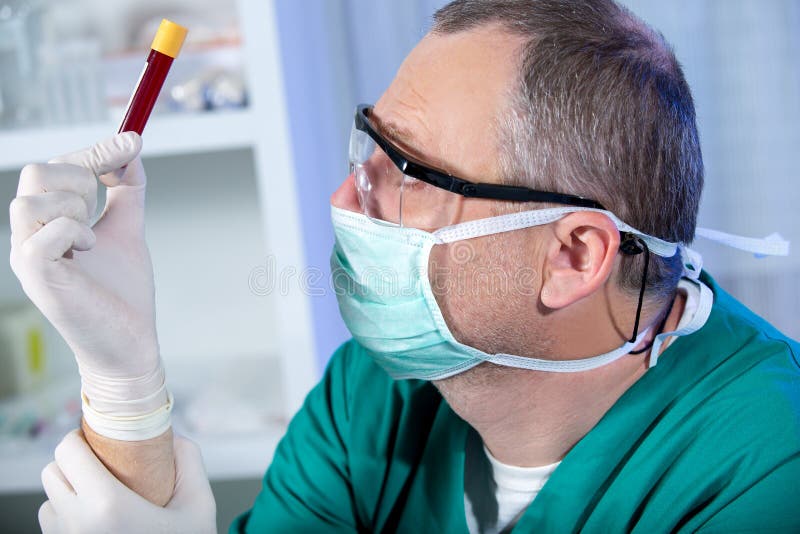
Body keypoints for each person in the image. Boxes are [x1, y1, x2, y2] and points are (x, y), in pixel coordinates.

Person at [9, 0, 799, 532]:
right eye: (368, 147)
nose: (345, 200)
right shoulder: (375, 393)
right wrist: (123, 373)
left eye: (408, 174)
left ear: (573, 256)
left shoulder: (768, 469)